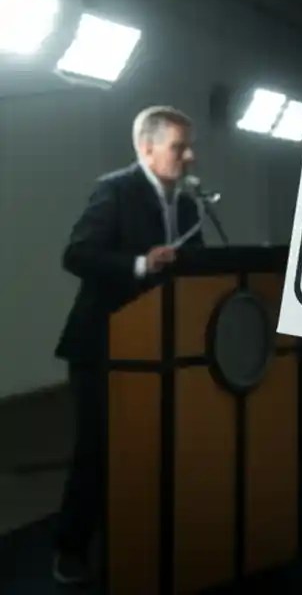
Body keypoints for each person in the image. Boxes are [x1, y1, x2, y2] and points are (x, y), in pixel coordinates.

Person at [51, 105, 204, 585]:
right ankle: (70, 550)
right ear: (147, 147)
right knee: (96, 449)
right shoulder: (114, 189)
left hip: (161, 347)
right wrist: (140, 264)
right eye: (180, 147)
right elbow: (77, 254)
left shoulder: (188, 205)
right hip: (101, 344)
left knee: (155, 447)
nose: (189, 156)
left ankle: (142, 537)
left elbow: (197, 270)